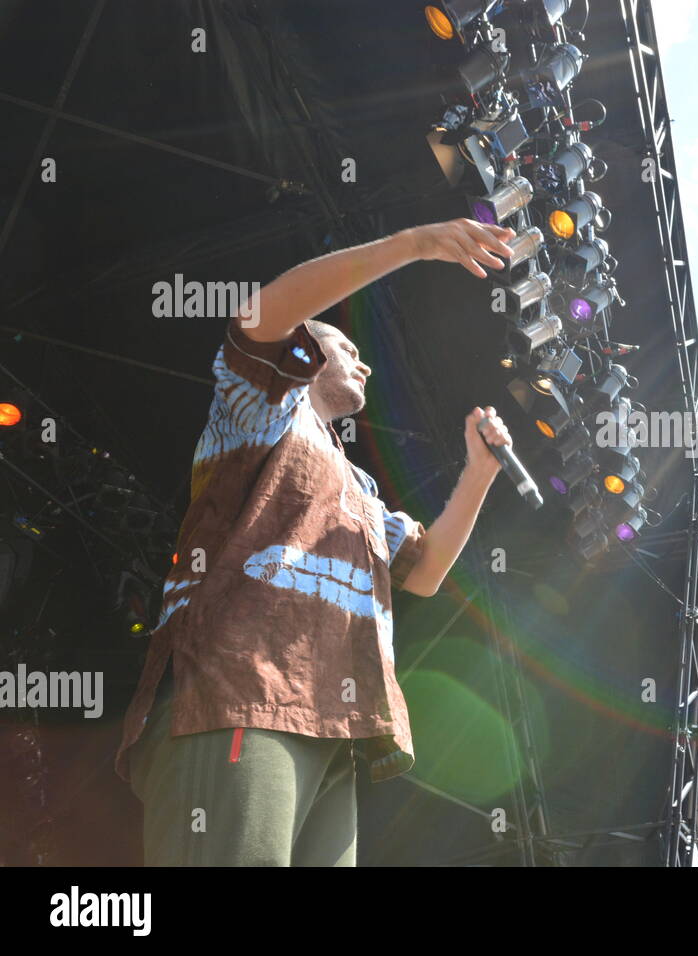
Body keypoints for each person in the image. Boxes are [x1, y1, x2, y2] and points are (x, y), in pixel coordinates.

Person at [114, 216, 517, 866]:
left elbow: (428, 572)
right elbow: (262, 315)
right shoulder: (262, 405)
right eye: (344, 346)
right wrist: (413, 246)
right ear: (303, 352)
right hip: (239, 693)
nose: (363, 362)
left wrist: (479, 472)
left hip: (335, 726)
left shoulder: (359, 489)